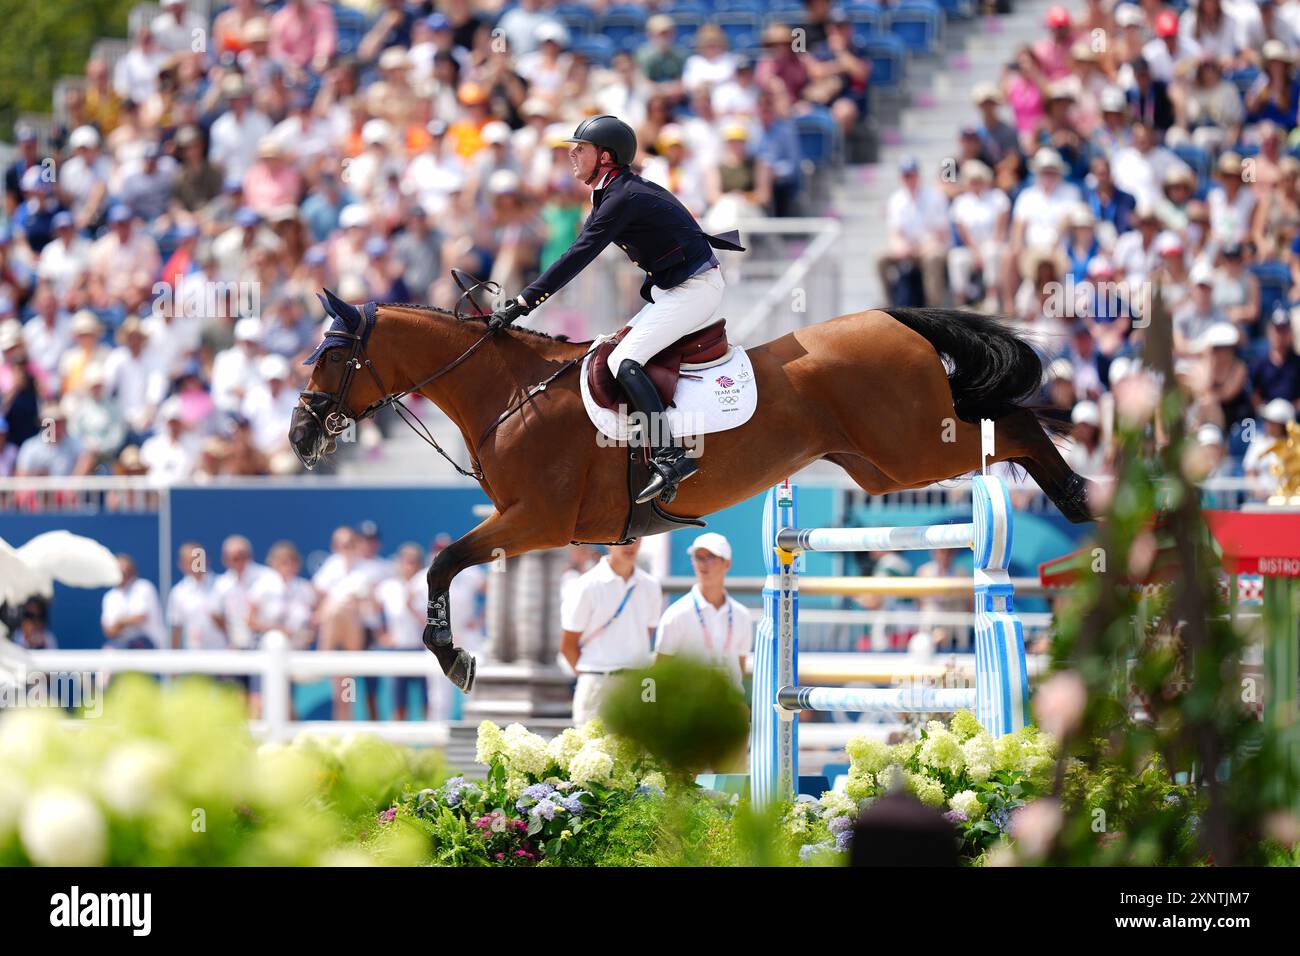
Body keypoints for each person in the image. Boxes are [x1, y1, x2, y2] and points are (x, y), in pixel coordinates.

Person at [485, 115, 744, 505]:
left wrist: (522, 303)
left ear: (605, 157)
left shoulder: (621, 197)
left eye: (580, 149)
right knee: (609, 349)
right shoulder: (610, 191)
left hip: (694, 288)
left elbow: (578, 255)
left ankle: (672, 455)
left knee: (623, 361)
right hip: (676, 288)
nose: (572, 155)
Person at [559, 539, 662, 725]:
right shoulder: (586, 585)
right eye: (623, 539)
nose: (629, 544)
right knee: (592, 751)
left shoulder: (651, 586)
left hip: (636, 683)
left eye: (635, 538)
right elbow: (568, 645)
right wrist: (592, 676)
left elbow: (646, 633)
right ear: (608, 541)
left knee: (637, 753)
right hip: (597, 682)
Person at [654, 533, 752, 690]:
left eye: (711, 557)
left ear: (727, 564)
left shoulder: (742, 615)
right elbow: (659, 672)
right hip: (689, 708)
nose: (703, 564)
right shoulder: (676, 614)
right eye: (698, 557)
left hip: (730, 708)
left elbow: (739, 669)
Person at [101, 553, 166, 649]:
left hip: (149, 645)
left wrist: (119, 622)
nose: (121, 575)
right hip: (122, 645)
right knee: (108, 650)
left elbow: (140, 616)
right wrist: (123, 623)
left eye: (124, 571)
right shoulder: (110, 597)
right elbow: (109, 630)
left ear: (132, 571)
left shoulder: (144, 587)